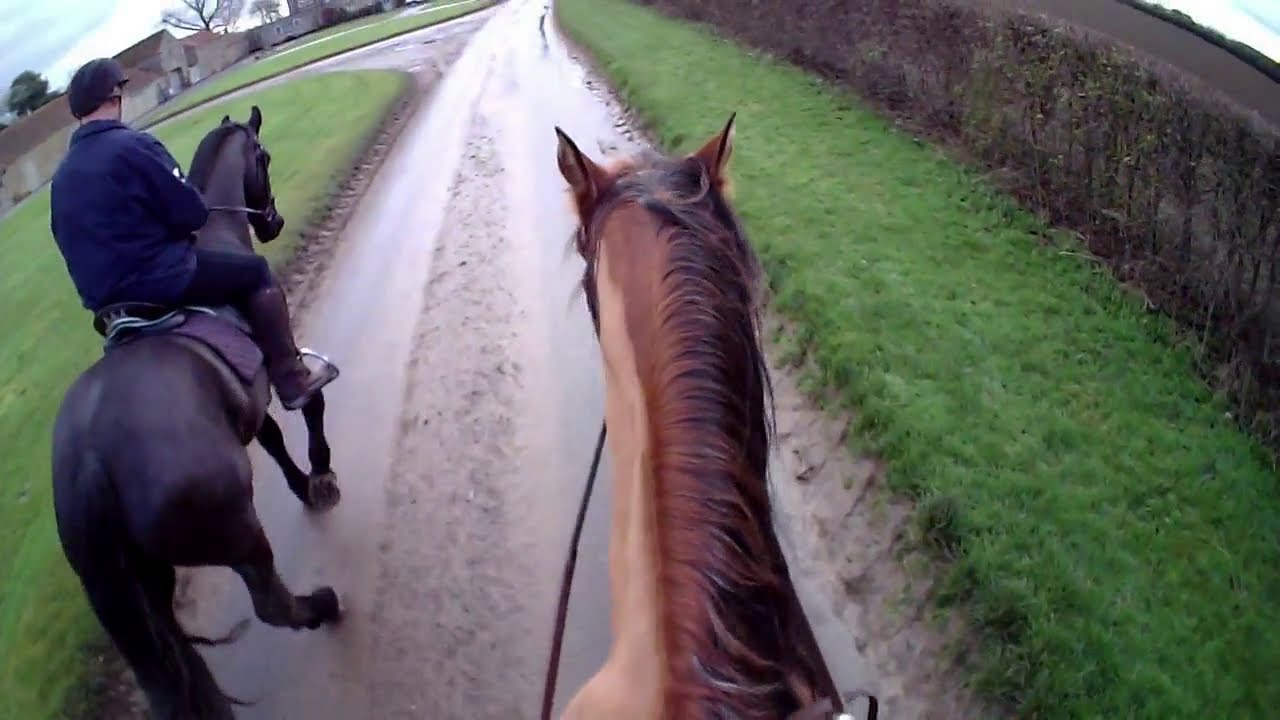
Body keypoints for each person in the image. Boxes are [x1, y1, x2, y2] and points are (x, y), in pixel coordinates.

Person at [48, 58, 337, 411]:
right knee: (255, 270)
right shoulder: (133, 146)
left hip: (108, 311)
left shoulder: (60, 179)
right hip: (163, 281)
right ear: (115, 96)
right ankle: (291, 378)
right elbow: (192, 214)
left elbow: (66, 241)